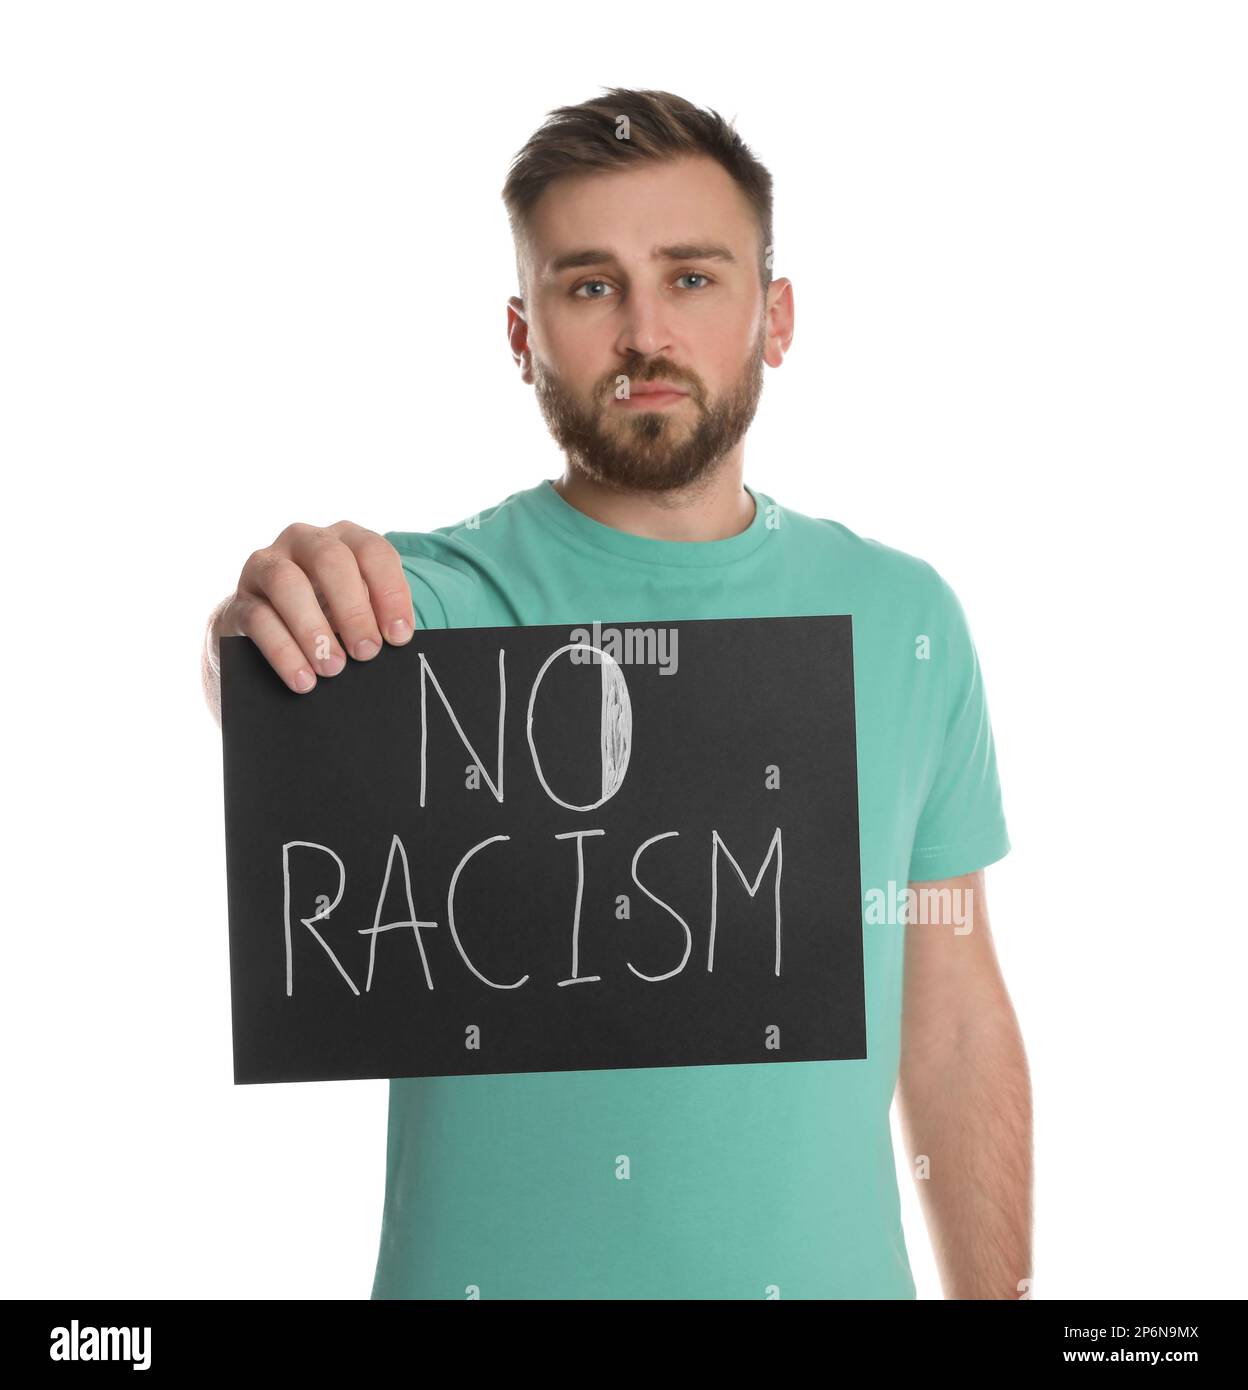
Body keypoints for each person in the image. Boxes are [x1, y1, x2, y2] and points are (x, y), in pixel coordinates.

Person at [202, 87, 1032, 1300]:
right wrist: (251, 625)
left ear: (776, 315)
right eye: (589, 286)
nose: (646, 332)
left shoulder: (907, 621)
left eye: (692, 277)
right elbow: (278, 670)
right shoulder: (427, 607)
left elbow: (950, 1012)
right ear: (520, 334)